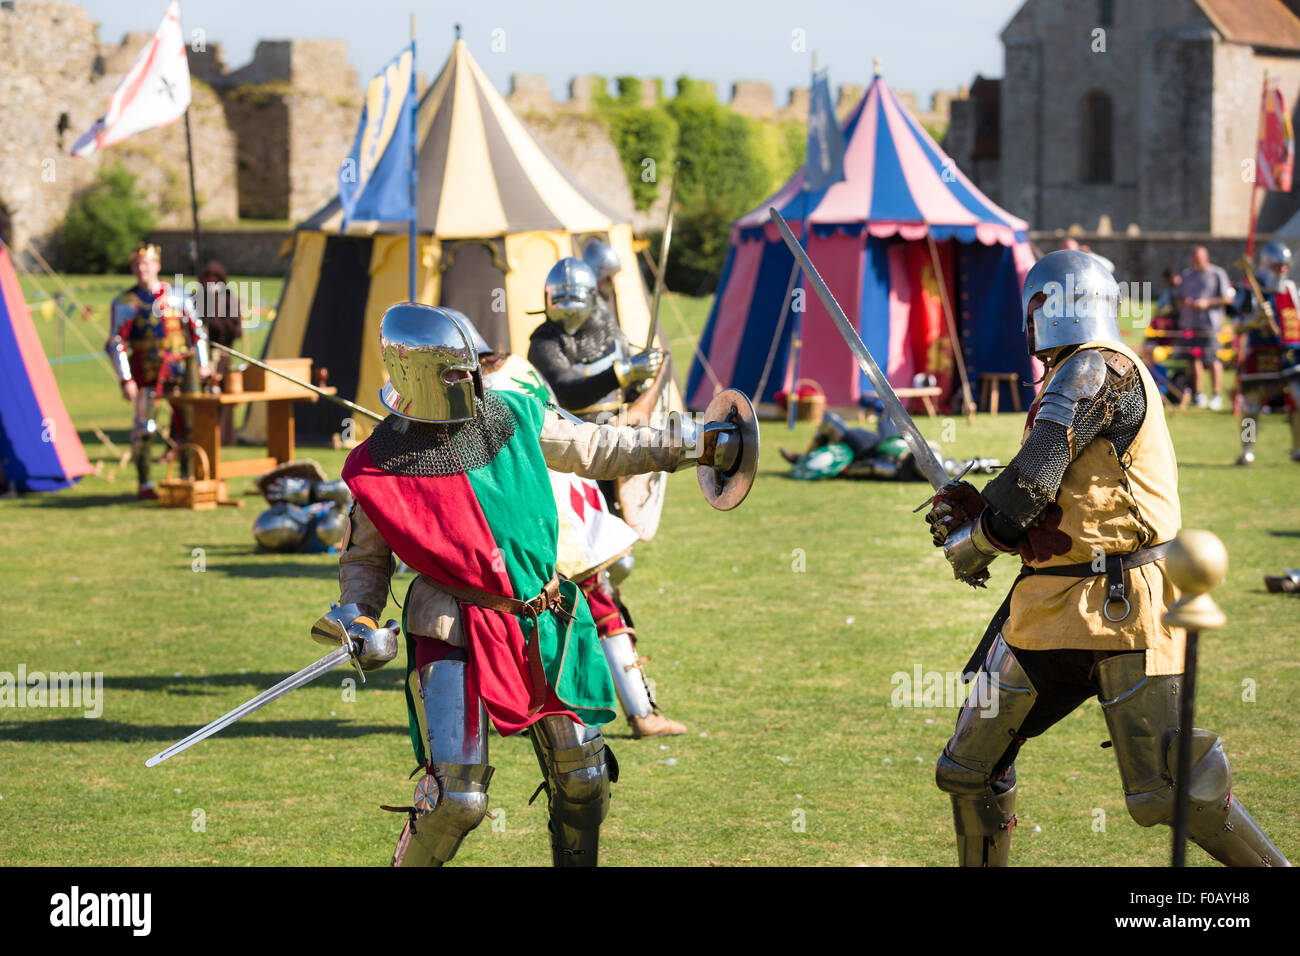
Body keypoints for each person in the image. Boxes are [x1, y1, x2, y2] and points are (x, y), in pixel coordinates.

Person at [337, 303, 737, 866]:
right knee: (457, 800)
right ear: (416, 372)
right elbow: (364, 561)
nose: (472, 382)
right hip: (451, 625)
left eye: (472, 369)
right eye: (455, 372)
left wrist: (695, 442)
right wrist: (356, 617)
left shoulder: (514, 414)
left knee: (584, 778)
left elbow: (600, 446)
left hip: (541, 615)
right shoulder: (377, 465)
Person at [924, 250, 1289, 867]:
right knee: (968, 770)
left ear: (1053, 308)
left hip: (1122, 608)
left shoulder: (1095, 369)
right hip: (1045, 611)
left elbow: (1036, 482)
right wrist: (984, 508)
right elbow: (1053, 489)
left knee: (1172, 793)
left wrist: (978, 538)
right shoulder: (1078, 370)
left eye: (1038, 307)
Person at [528, 257, 688, 737]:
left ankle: (605, 698)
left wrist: (644, 377)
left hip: (614, 462)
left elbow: (633, 396)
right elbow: (567, 391)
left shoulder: (607, 329)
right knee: (593, 585)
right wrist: (623, 370)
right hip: (569, 466)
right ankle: (628, 708)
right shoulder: (542, 345)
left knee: (604, 578)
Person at [105, 244, 209, 499]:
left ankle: (186, 478)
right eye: (137, 265)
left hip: (181, 369)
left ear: (157, 266)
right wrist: (126, 379)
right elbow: (116, 343)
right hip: (146, 371)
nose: (142, 269)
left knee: (188, 425)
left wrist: (203, 363)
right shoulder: (126, 302)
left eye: (147, 263)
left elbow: (197, 332)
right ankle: (145, 484)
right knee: (146, 428)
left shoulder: (178, 295)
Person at [1232, 240, 1300, 464]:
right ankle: (1247, 451)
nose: (1282, 270)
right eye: (1278, 265)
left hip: (1290, 355)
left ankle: (1298, 449)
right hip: (1260, 356)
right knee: (1252, 409)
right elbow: (1236, 325)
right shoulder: (1251, 290)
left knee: (1298, 402)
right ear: (1268, 264)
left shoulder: (1291, 290)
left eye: (1285, 266)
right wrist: (1255, 320)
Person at [1176, 246, 1233, 410]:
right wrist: (1185, 303)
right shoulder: (1187, 275)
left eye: (1198, 259)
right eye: (1193, 259)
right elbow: (1178, 299)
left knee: (1213, 360)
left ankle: (1216, 395)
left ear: (1205, 258)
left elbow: (1227, 298)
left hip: (1210, 326)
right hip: (1190, 325)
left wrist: (1207, 303)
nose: (1195, 262)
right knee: (1193, 361)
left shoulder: (1217, 274)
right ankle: (1198, 394)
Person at [195, 260, 244, 445]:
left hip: (221, 356)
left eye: (214, 279)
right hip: (200, 357)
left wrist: (213, 320)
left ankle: (223, 438)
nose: (210, 283)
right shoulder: (196, 299)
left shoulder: (230, 300)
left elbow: (235, 331)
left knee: (223, 399)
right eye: (207, 279)